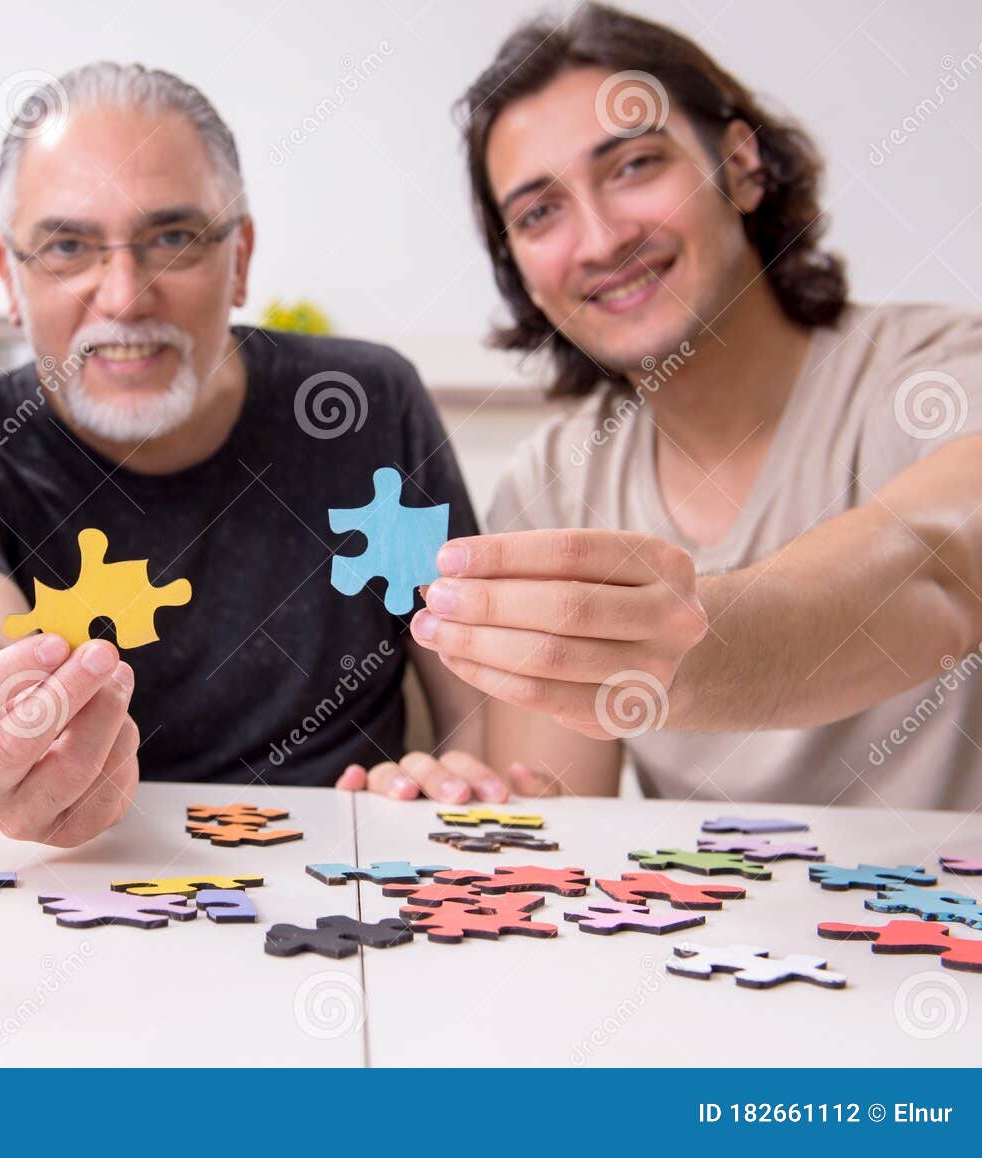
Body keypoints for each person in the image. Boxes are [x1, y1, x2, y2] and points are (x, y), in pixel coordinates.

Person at [0, 63, 535, 849]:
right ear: (9, 279)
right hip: (79, 875)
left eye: (174, 239)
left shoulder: (368, 405)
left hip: (353, 880)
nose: (122, 295)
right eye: (66, 245)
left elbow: (487, 709)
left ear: (241, 257)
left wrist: (455, 787)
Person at [411, 3, 982, 806]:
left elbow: (940, 575)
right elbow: (559, 817)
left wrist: (676, 646)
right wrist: (461, 805)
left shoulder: (940, 376)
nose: (604, 238)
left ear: (741, 166)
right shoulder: (557, 479)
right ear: (523, 273)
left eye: (637, 165)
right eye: (540, 212)